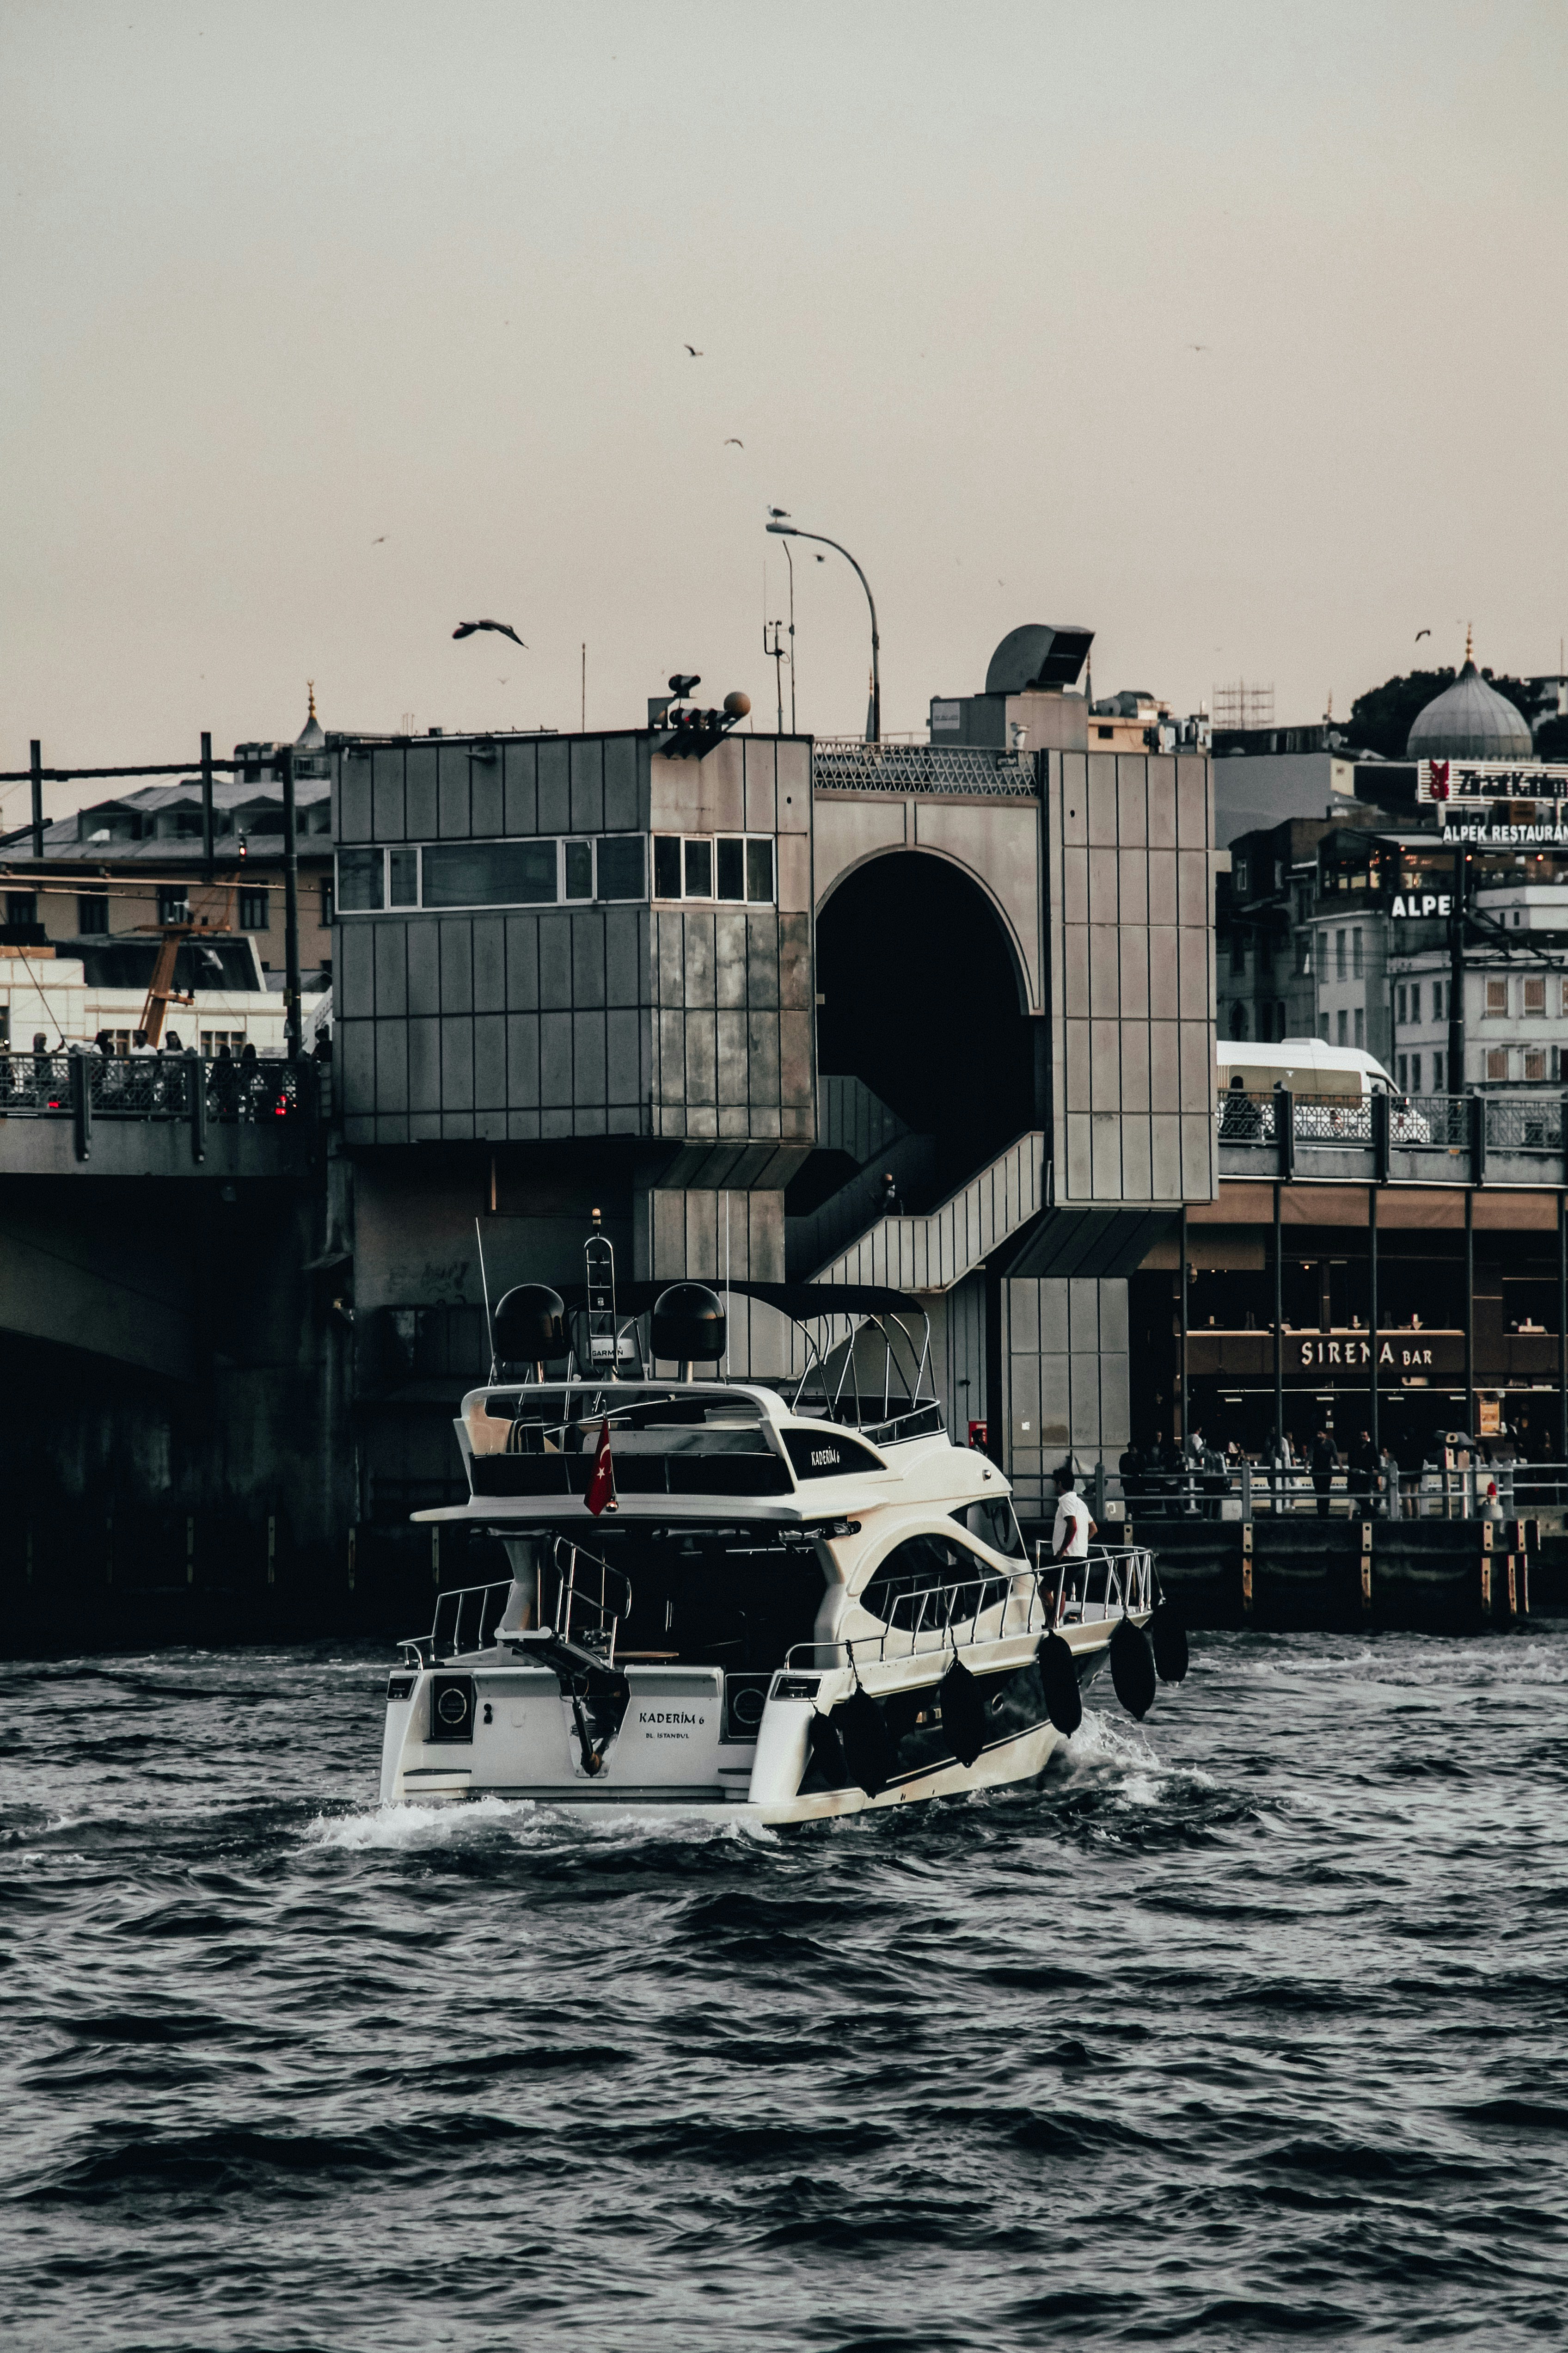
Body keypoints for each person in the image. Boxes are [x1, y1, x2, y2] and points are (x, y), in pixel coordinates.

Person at [1049, 1460, 1097, 1618]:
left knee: (1045, 1590)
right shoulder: (1080, 1503)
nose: (1054, 1487)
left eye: (1055, 1483)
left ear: (1060, 1484)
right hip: (1079, 1554)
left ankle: (1052, 1622)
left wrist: (1063, 1550)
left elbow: (1073, 1526)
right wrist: (1080, 1542)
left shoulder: (1066, 1501)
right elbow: (1093, 1528)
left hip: (1067, 1555)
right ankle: (1054, 1623)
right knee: (1061, 1590)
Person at [1348, 1427, 1378, 1519]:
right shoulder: (1354, 1446)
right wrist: (1352, 1468)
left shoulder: (1371, 1446)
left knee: (1366, 1495)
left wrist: (1376, 1469)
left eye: (1364, 1436)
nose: (1362, 1438)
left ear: (1367, 1437)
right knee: (1356, 1494)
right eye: (1361, 1436)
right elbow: (1350, 1459)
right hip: (1357, 1474)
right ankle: (1372, 1510)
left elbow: (1376, 1459)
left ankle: (1365, 1516)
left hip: (1367, 1474)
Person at [1310, 1427, 1337, 1519]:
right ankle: (1321, 1513)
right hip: (1317, 1470)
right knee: (1319, 1492)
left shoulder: (1331, 1443)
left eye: (1320, 1434)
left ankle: (1325, 1513)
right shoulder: (1314, 1442)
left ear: (1325, 1435)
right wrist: (1306, 1468)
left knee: (1326, 1492)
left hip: (1326, 1471)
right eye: (1318, 1434)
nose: (1318, 1436)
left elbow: (1335, 1456)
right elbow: (1310, 1455)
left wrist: (1341, 1468)